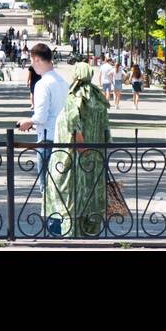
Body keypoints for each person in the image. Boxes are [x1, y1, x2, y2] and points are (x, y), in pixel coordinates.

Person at [46, 62, 112, 236]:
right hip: (95, 157)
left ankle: (72, 234)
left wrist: (81, 147)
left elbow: (74, 124)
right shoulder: (98, 98)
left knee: (72, 197)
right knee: (91, 195)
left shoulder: (75, 96)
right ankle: (91, 232)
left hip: (75, 158)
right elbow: (106, 128)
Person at [17, 43, 68, 236]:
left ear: (37, 59)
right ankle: (64, 222)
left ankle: (54, 226)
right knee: (60, 183)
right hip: (63, 138)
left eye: (31, 61)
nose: (31, 65)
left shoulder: (42, 84)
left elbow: (40, 116)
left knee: (46, 184)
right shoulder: (63, 82)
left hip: (47, 138)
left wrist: (26, 122)